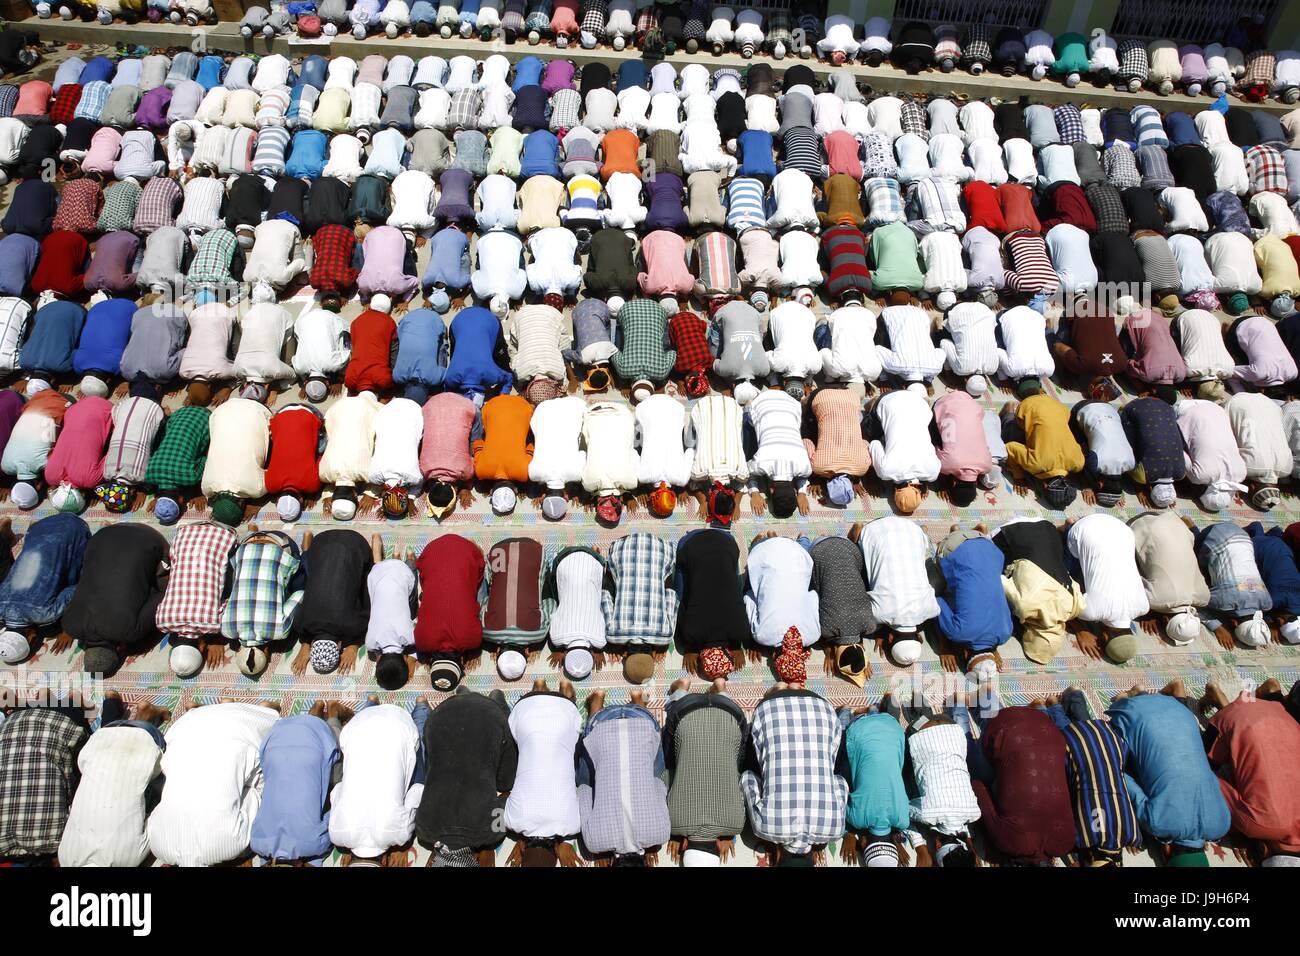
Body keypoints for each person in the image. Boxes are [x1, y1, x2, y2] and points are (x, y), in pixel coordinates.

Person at [146, 700, 281, 866]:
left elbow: (254, 796)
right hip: (186, 727)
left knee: (261, 779)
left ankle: (260, 708)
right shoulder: (159, 846)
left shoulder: (231, 845)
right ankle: (210, 707)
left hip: (241, 726)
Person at [1106, 686, 1231, 864]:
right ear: (1167, 850)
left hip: (1183, 713)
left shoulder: (1222, 825)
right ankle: (1123, 699)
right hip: (1134, 714)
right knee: (1117, 761)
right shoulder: (1158, 824)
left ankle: (1141, 693)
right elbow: (1124, 779)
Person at [57, 692, 171, 867]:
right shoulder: (64, 858)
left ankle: (145, 716)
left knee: (156, 792)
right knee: (103, 769)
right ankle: (121, 707)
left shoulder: (127, 861)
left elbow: (157, 820)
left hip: (146, 740)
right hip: (101, 738)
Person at [1034, 688, 1142, 866]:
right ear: (1091, 857)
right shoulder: (1084, 837)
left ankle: (1073, 696)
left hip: (1110, 739)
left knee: (1090, 738)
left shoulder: (1133, 835)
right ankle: (1046, 709)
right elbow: (1061, 837)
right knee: (1071, 744)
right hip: (1074, 742)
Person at [741, 684, 847, 865]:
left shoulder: (835, 830)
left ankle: (792, 690)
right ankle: (780, 691)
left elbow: (840, 782)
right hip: (769, 708)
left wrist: (819, 841)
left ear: (813, 859)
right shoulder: (763, 829)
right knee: (755, 757)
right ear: (778, 857)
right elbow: (747, 778)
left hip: (823, 710)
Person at [415, 687, 517, 867]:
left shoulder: (492, 832)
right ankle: (464, 696)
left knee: (507, 782)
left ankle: (494, 701)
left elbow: (507, 799)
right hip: (440, 716)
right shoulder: (424, 831)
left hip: (490, 715)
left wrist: (487, 844)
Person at [1201, 682, 1300, 865]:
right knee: (1200, 761)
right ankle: (1230, 703)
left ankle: (1252, 699)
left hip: (1282, 715)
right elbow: (1208, 780)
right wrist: (1240, 828)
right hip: (1234, 719)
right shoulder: (1256, 825)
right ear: (1263, 850)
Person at [329, 697, 430, 866]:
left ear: (384, 860)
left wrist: (401, 844)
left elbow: (417, 791)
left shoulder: (399, 834)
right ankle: (370, 702)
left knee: (418, 774)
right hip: (358, 726)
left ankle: (421, 707)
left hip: (400, 727)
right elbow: (337, 789)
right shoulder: (336, 835)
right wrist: (347, 845)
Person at [969, 705, 1076, 865]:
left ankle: (989, 697)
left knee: (1013, 759)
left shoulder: (1066, 843)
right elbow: (978, 787)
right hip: (1005, 729)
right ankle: (959, 709)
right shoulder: (1009, 842)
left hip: (1048, 728)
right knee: (980, 770)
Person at [577, 686, 670, 864]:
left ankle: (638, 701)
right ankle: (597, 700)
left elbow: (659, 786)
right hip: (600, 724)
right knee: (585, 778)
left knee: (656, 773)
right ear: (612, 863)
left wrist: (652, 844)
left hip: (643, 721)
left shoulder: (661, 834)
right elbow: (583, 792)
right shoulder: (594, 842)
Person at [62, 523, 169, 676]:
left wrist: (146, 638)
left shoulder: (129, 632)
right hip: (102, 535)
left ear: (119, 649)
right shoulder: (70, 625)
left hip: (148, 538)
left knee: (166, 583)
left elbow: (162, 598)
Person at [662, 678, 748, 866]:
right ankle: (681, 691)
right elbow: (665, 775)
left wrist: (728, 835)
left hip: (731, 711)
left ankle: (721, 690)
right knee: (671, 758)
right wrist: (675, 832)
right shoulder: (671, 823)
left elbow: (739, 782)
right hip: (684, 709)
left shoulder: (735, 825)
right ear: (685, 845)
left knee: (735, 760)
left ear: (718, 847)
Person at [249, 703, 343, 865]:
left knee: (336, 777)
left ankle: (333, 716)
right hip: (277, 736)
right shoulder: (257, 844)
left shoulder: (313, 846)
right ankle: (314, 712)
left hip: (314, 738)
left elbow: (333, 818)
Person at [894, 692, 981, 867]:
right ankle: (907, 704)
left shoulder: (974, 813)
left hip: (951, 725)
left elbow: (958, 821)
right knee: (907, 782)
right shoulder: (928, 814)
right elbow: (901, 812)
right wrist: (920, 847)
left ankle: (919, 699)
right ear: (938, 845)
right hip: (919, 729)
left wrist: (971, 847)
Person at [504, 679, 584, 866]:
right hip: (525, 709)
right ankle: (538, 689)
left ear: (556, 851)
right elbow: (502, 799)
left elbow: (582, 798)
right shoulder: (511, 822)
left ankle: (566, 696)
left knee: (568, 745)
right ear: (523, 849)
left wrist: (565, 840)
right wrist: (521, 835)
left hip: (565, 711)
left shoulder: (573, 825)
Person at [0, 694, 90, 862]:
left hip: (64, 718)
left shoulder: (59, 839)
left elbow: (76, 795)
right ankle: (45, 695)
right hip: (13, 722)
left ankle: (65, 696)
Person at [0, 513, 90, 666]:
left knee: (84, 575)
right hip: (39, 529)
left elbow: (78, 590)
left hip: (75, 529)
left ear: (30, 638)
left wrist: (69, 629)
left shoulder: (44, 614)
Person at [993, 518, 1085, 664]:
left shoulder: (1075, 606)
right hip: (1012, 529)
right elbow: (997, 579)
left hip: (1047, 527)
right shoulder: (1025, 606)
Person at [851, 517, 940, 667]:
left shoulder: (931, 610)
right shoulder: (880, 614)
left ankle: (922, 533)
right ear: (890, 639)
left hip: (911, 528)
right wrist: (880, 633)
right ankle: (857, 532)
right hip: (873, 530)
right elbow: (869, 619)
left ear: (918, 636)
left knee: (925, 564)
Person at [218, 530, 306, 678]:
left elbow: (300, 595)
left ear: (266, 652)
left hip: (280, 545)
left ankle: (306, 549)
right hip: (245, 545)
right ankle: (254, 532)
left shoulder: (279, 631)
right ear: (239, 650)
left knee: (300, 584)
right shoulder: (227, 630)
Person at [1066, 513, 1149, 663]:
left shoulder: (1143, 608)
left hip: (1122, 530)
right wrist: (1080, 630)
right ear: (1104, 636)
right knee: (1067, 572)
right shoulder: (1091, 613)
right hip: (1085, 529)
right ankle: (1069, 527)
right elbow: (1064, 606)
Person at [933, 524, 1014, 680]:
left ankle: (975, 532)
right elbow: (937, 601)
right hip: (954, 547)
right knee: (940, 587)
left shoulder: (1005, 633)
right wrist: (945, 647)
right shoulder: (958, 633)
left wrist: (992, 649)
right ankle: (955, 533)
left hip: (990, 548)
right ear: (965, 654)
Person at [293, 530, 378, 675]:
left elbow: (369, 611)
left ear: (339, 644)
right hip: (321, 541)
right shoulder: (302, 625)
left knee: (370, 579)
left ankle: (376, 547)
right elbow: (303, 625)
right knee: (308, 577)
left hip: (356, 543)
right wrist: (305, 644)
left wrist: (353, 646)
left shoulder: (352, 626)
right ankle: (307, 548)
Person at [836, 701, 910, 867]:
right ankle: (847, 712)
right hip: (858, 731)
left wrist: (895, 842)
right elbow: (842, 809)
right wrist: (849, 834)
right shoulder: (857, 820)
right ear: (862, 844)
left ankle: (874, 711)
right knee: (841, 765)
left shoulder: (903, 820)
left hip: (893, 728)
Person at [414, 534, 486, 691]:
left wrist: (471, 653)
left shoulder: (472, 642)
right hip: (431, 551)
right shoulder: (421, 642)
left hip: (467, 553)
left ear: (461, 661)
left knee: (477, 598)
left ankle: (476, 552)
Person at [1130, 511, 1211, 648]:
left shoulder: (1204, 598)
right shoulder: (1156, 601)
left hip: (1175, 523)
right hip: (1141, 525)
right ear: (1167, 619)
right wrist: (1148, 613)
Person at [1195, 521, 1274, 649]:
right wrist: (1218, 627)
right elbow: (1196, 603)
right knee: (1199, 568)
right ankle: (1193, 529)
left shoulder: (1267, 603)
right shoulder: (1223, 601)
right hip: (1214, 535)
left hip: (1243, 537)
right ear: (1233, 622)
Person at [1002, 390, 1085, 508]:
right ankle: (1009, 412)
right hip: (1028, 406)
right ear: (1045, 487)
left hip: (1058, 407)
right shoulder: (1036, 465)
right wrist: (1018, 476)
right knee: (1009, 437)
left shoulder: (1078, 464)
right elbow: (1009, 447)